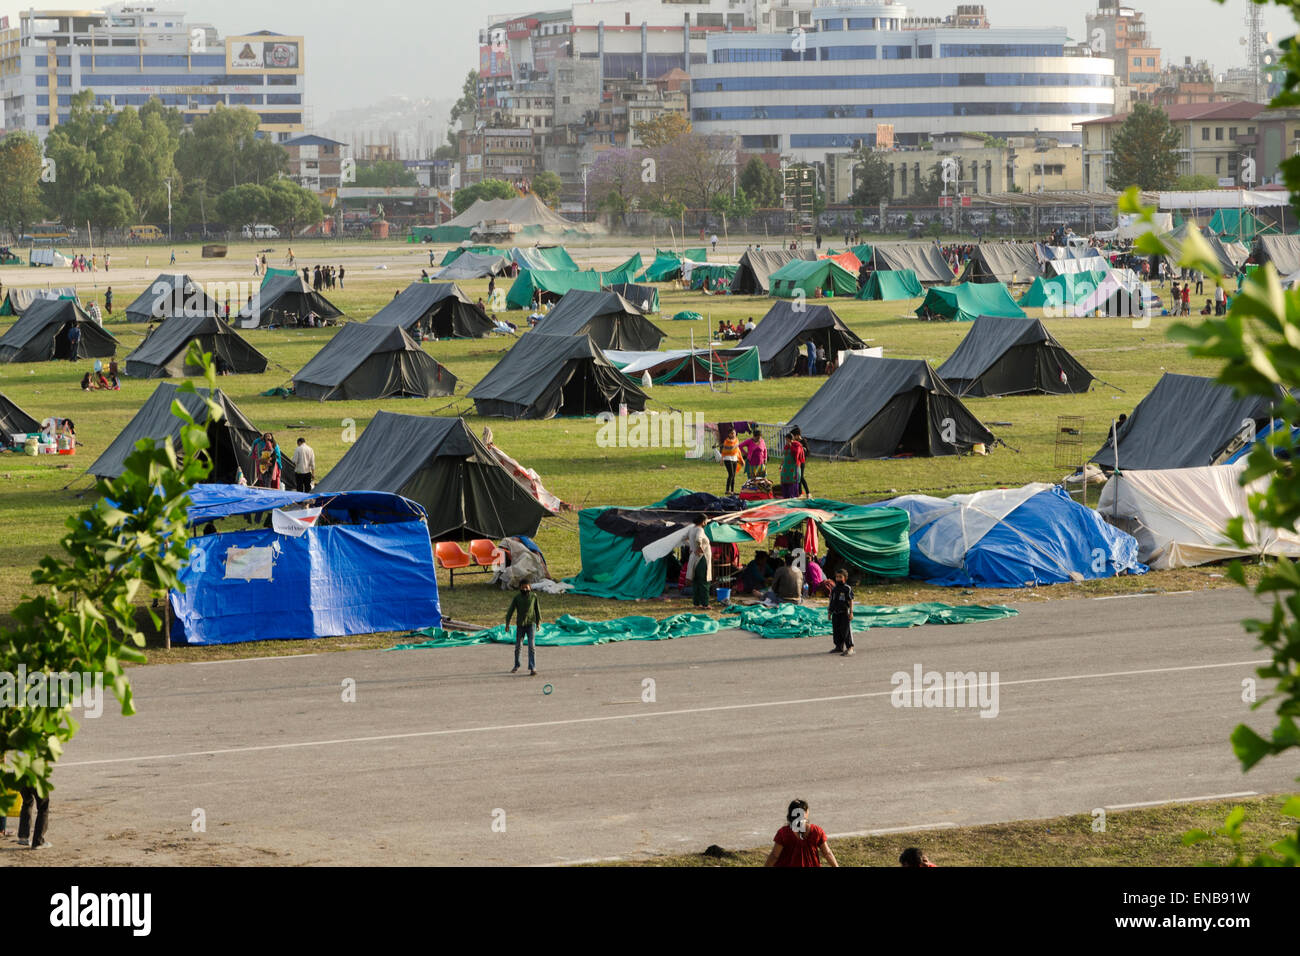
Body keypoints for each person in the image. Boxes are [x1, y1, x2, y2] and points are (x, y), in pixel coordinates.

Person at [763, 799, 837, 867]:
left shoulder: (783, 833)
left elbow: (774, 856)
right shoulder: (816, 831)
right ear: (806, 813)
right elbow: (827, 853)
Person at [504, 580, 541, 676]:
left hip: (530, 624)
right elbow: (510, 611)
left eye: (526, 587)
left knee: (531, 646)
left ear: (530, 587)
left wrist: (538, 623)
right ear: (520, 588)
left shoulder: (533, 597)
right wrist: (507, 623)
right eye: (523, 587)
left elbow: (537, 610)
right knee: (518, 646)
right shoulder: (517, 598)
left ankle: (532, 667)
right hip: (520, 625)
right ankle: (517, 665)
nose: (525, 589)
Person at [686, 514, 712, 609]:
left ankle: (696, 603)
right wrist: (699, 547)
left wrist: (691, 547)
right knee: (704, 581)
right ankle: (705, 603)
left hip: (694, 557)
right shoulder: (700, 530)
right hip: (701, 558)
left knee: (696, 581)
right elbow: (698, 539)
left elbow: (685, 538)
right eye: (706, 521)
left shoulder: (691, 529)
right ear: (703, 521)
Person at [828, 568, 855, 656]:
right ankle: (838, 646)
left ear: (845, 578)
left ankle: (850, 647)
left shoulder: (847, 588)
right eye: (837, 577)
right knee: (836, 630)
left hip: (844, 612)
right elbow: (831, 601)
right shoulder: (834, 589)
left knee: (845, 630)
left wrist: (851, 612)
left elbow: (850, 600)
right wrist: (829, 612)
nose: (838, 579)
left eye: (840, 577)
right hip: (835, 612)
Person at [16, 784, 51, 848]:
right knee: (43, 807)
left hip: (22, 778)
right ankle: (38, 841)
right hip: (37, 779)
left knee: (27, 803)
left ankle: (23, 837)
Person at [779, 429, 804, 499]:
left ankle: (793, 496)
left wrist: (791, 446)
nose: (786, 441)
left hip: (793, 467)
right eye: (785, 440)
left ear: (790, 439)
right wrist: (781, 465)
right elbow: (784, 456)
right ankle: (786, 496)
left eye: (787, 439)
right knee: (784, 480)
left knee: (792, 481)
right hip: (786, 467)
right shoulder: (786, 446)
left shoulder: (797, 445)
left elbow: (797, 455)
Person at [719, 425, 741, 495]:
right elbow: (724, 451)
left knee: (733, 475)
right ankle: (727, 490)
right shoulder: (726, 442)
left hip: (734, 458)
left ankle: (732, 491)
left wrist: (740, 458)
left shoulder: (736, 440)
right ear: (729, 434)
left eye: (734, 433)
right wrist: (722, 459)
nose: (733, 434)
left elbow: (737, 450)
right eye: (732, 433)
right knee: (731, 474)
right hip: (727, 459)